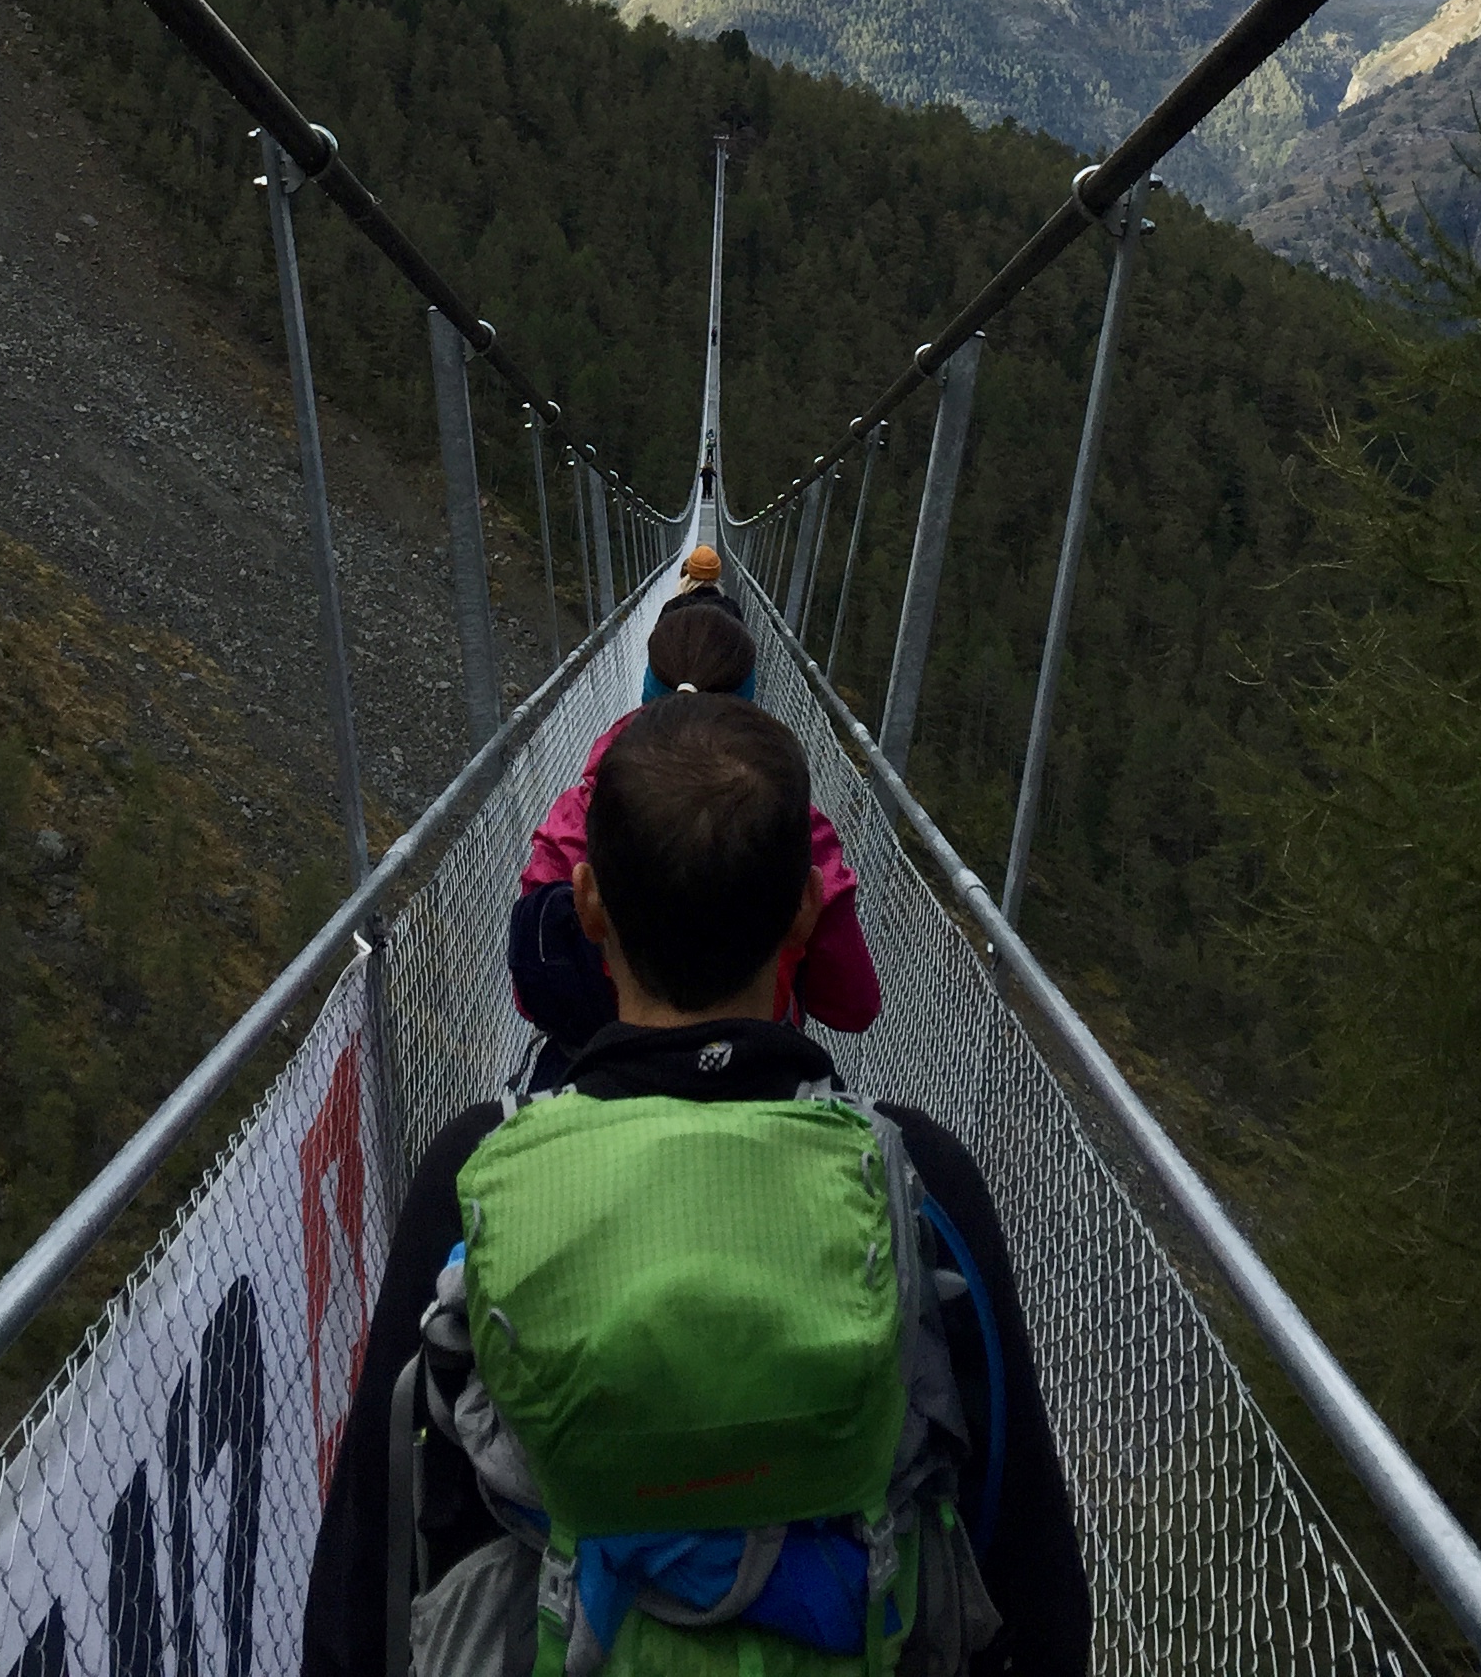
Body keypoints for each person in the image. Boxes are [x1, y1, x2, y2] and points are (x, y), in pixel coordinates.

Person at [301, 697, 1089, 1676]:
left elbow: (367, 1572)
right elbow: (1031, 1572)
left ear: (587, 905)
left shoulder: (477, 1174)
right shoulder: (918, 1179)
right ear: (807, 906)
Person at [509, 600, 878, 1079]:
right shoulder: (797, 828)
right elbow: (853, 1005)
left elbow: (532, 988)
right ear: (804, 905)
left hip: (592, 1075)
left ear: (587, 899)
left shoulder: (578, 816)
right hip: (759, 1080)